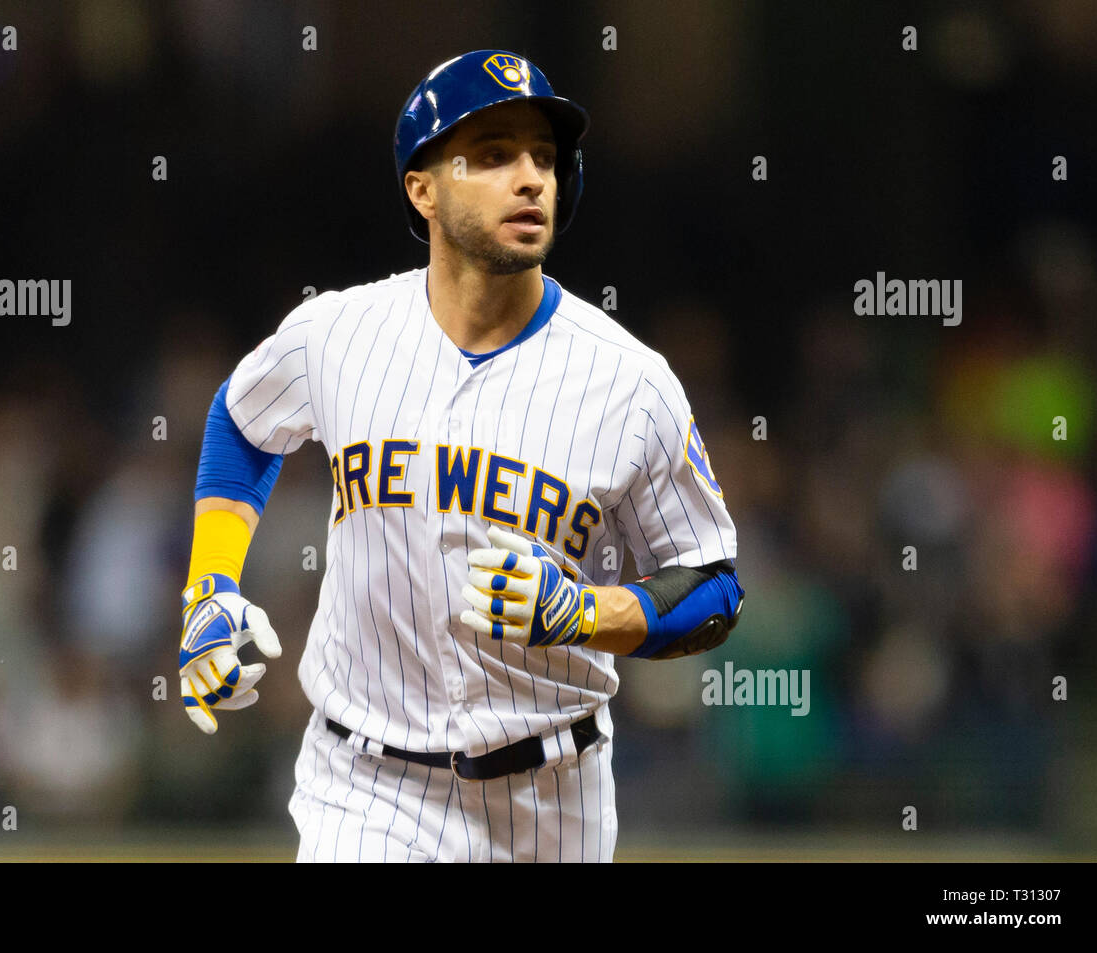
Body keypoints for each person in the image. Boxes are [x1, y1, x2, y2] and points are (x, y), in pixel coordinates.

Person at [177, 49, 744, 863]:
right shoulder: (338, 334)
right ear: (423, 187)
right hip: (364, 790)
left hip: (552, 801)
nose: (529, 178)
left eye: (544, 157)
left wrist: (585, 613)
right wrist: (210, 587)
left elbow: (715, 587)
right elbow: (240, 422)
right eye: (492, 154)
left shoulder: (630, 381)